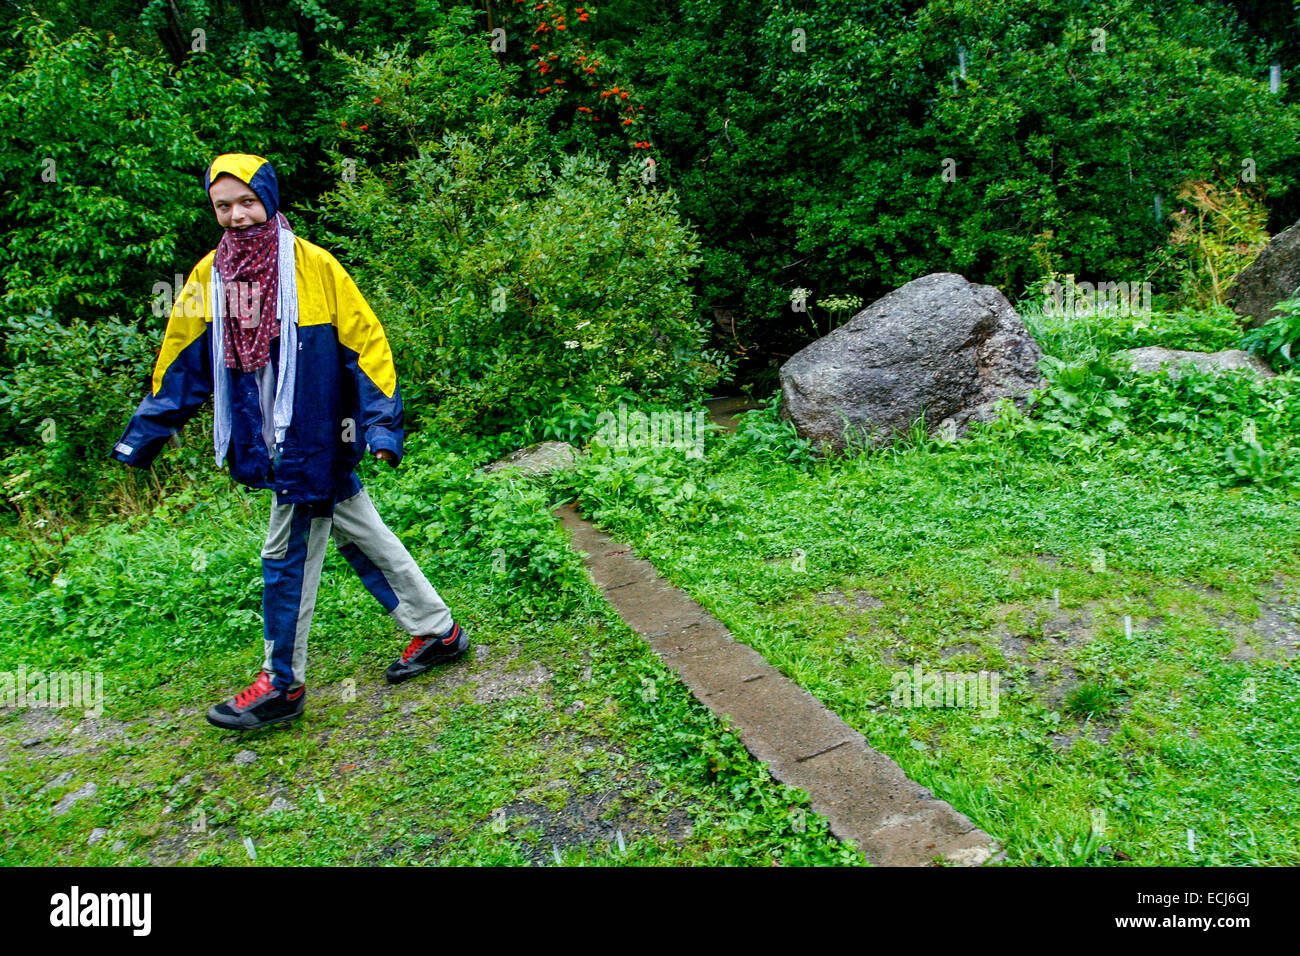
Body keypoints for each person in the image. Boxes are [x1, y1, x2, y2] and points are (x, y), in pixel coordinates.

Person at [110, 153, 468, 731]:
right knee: (363, 534)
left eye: (246, 201)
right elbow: (181, 364)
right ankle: (438, 631)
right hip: (265, 438)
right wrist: (144, 436)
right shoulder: (209, 276)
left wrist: (380, 425)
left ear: (268, 199)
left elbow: (366, 348)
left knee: (284, 557)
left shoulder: (315, 267)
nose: (236, 215)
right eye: (222, 205)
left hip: (315, 438)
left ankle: (281, 683)